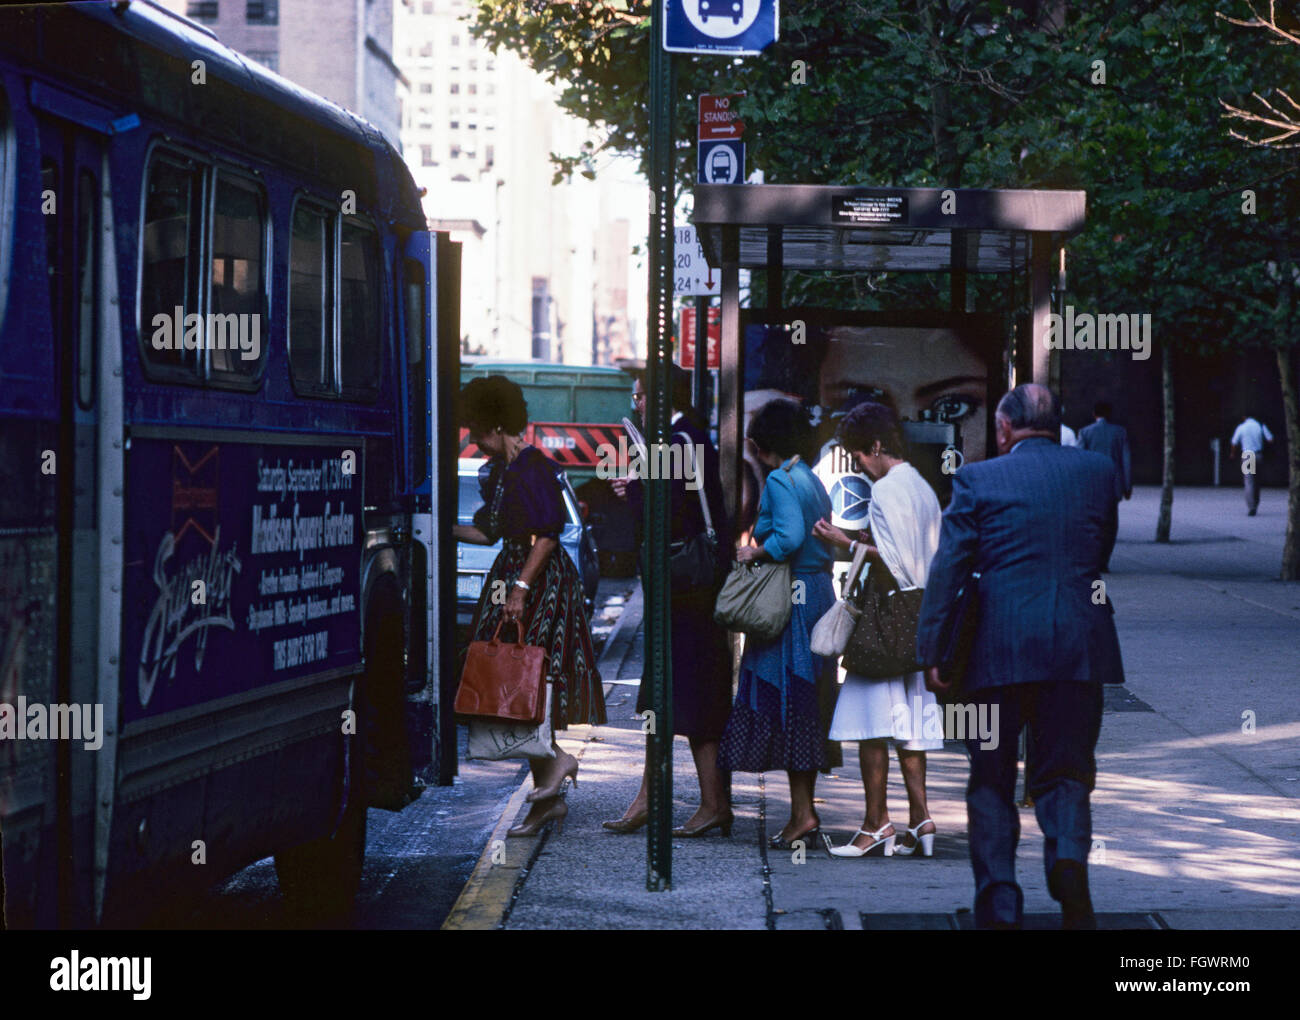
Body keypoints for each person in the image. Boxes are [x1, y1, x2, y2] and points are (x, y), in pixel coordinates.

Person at [916, 384, 1121, 930]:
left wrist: (932, 647)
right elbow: (1099, 551)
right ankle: (1070, 861)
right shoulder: (1098, 473)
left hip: (994, 653)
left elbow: (949, 569)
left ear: (1004, 429)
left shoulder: (977, 479)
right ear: (1057, 426)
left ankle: (1000, 902)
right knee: (1067, 771)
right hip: (1079, 648)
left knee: (990, 777)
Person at [454, 375, 606, 836]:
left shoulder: (533, 467)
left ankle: (559, 761)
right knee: (514, 687)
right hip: (517, 576)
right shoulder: (502, 471)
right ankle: (547, 803)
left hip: (538, 583)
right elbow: (487, 532)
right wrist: (438, 526)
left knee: (531, 682)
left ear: (497, 425)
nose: (474, 442)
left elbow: (548, 535)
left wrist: (519, 588)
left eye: (478, 432)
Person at [604, 367, 736, 836]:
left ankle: (701, 801)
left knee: (677, 694)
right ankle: (664, 797)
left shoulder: (678, 441)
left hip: (685, 591)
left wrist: (632, 489)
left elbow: (666, 515)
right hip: (696, 589)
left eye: (640, 397)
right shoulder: (691, 437)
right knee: (672, 694)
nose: (636, 404)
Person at [813, 402, 943, 858]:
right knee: (909, 725)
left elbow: (892, 562)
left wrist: (844, 542)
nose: (858, 467)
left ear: (875, 446)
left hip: (889, 619)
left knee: (870, 723)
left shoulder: (887, 490)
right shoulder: (922, 487)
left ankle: (876, 825)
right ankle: (922, 819)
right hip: (919, 619)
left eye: (857, 456)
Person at [717, 398, 841, 849]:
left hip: (792, 601)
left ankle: (803, 815)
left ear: (758, 443)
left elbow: (787, 537)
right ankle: (802, 813)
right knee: (806, 705)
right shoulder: (810, 477)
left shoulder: (779, 478)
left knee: (789, 703)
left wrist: (755, 551)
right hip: (817, 595)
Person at [1077, 401, 1131, 571]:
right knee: (1111, 524)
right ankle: (1104, 560)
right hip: (1112, 485)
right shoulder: (1120, 433)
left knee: (1091, 521)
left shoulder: (1085, 432)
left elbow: (1080, 460)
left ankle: (1093, 557)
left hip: (1091, 484)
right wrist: (1127, 485)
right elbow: (1126, 460)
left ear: (1094, 414)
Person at [1230, 413, 1274, 516]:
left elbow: (1234, 442)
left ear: (1244, 417)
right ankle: (1256, 503)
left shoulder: (1242, 427)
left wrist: (1232, 453)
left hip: (1247, 454)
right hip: (1258, 454)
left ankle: (1251, 507)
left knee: (1248, 481)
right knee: (1257, 481)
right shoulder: (1260, 425)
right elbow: (1270, 439)